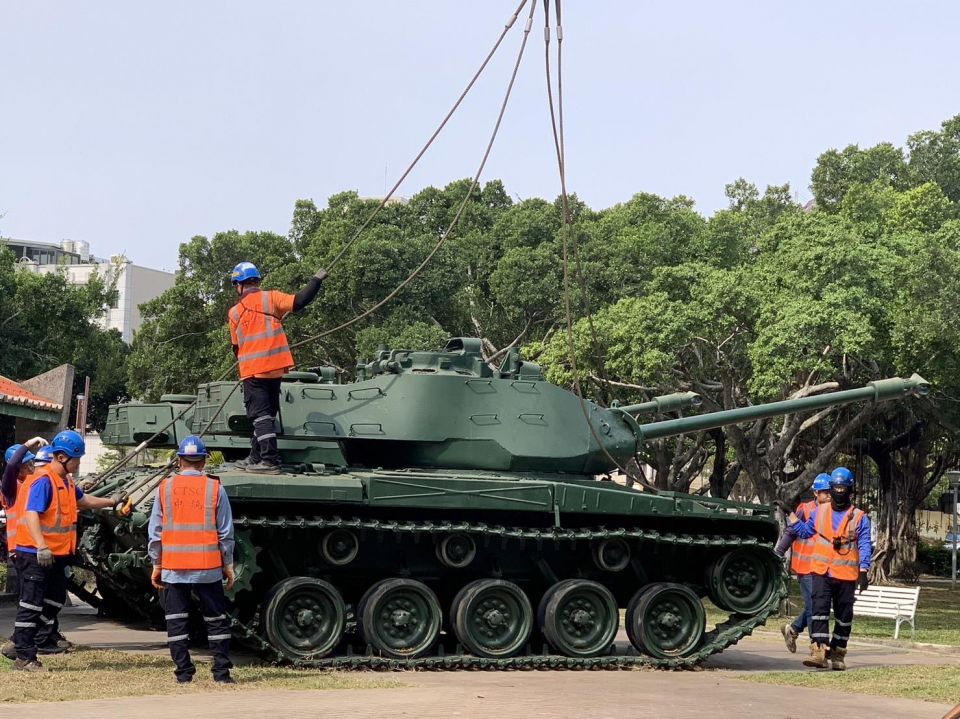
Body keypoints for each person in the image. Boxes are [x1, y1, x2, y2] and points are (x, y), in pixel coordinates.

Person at [12, 430, 123, 672]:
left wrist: (111, 502)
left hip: (56, 556)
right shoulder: (44, 480)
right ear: (62, 457)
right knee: (31, 605)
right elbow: (32, 514)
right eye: (77, 458)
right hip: (35, 554)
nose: (79, 462)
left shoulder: (65, 481)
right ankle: (24, 655)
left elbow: (83, 501)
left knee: (52, 602)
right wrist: (41, 545)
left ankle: (23, 640)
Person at [148, 435, 236, 684]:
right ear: (204, 462)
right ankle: (221, 674)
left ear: (179, 460)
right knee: (216, 621)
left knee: (176, 622)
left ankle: (184, 674)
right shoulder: (215, 488)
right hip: (208, 569)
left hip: (174, 568)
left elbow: (155, 533)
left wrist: (157, 563)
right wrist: (228, 565)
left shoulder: (164, 488)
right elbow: (226, 533)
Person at [228, 261, 328, 474]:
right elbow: (300, 301)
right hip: (275, 368)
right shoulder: (271, 298)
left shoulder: (235, 313)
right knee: (267, 416)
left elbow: (236, 347)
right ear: (257, 281)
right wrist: (316, 280)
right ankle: (255, 457)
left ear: (239, 285)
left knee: (259, 416)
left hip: (253, 371)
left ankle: (270, 461)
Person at [789, 466, 872, 671]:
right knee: (818, 612)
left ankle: (838, 653)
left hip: (846, 574)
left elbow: (864, 544)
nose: (839, 493)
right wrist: (790, 514)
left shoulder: (859, 517)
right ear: (831, 488)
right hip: (821, 571)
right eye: (836, 488)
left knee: (844, 616)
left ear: (850, 490)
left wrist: (863, 571)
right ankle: (818, 652)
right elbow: (806, 531)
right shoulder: (819, 512)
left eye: (843, 489)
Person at [778, 473, 832, 653]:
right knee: (814, 607)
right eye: (825, 492)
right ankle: (816, 645)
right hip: (806, 568)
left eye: (830, 491)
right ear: (816, 493)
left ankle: (792, 630)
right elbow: (791, 532)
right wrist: (779, 552)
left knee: (817, 606)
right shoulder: (805, 509)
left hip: (824, 569)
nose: (829, 495)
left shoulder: (833, 512)